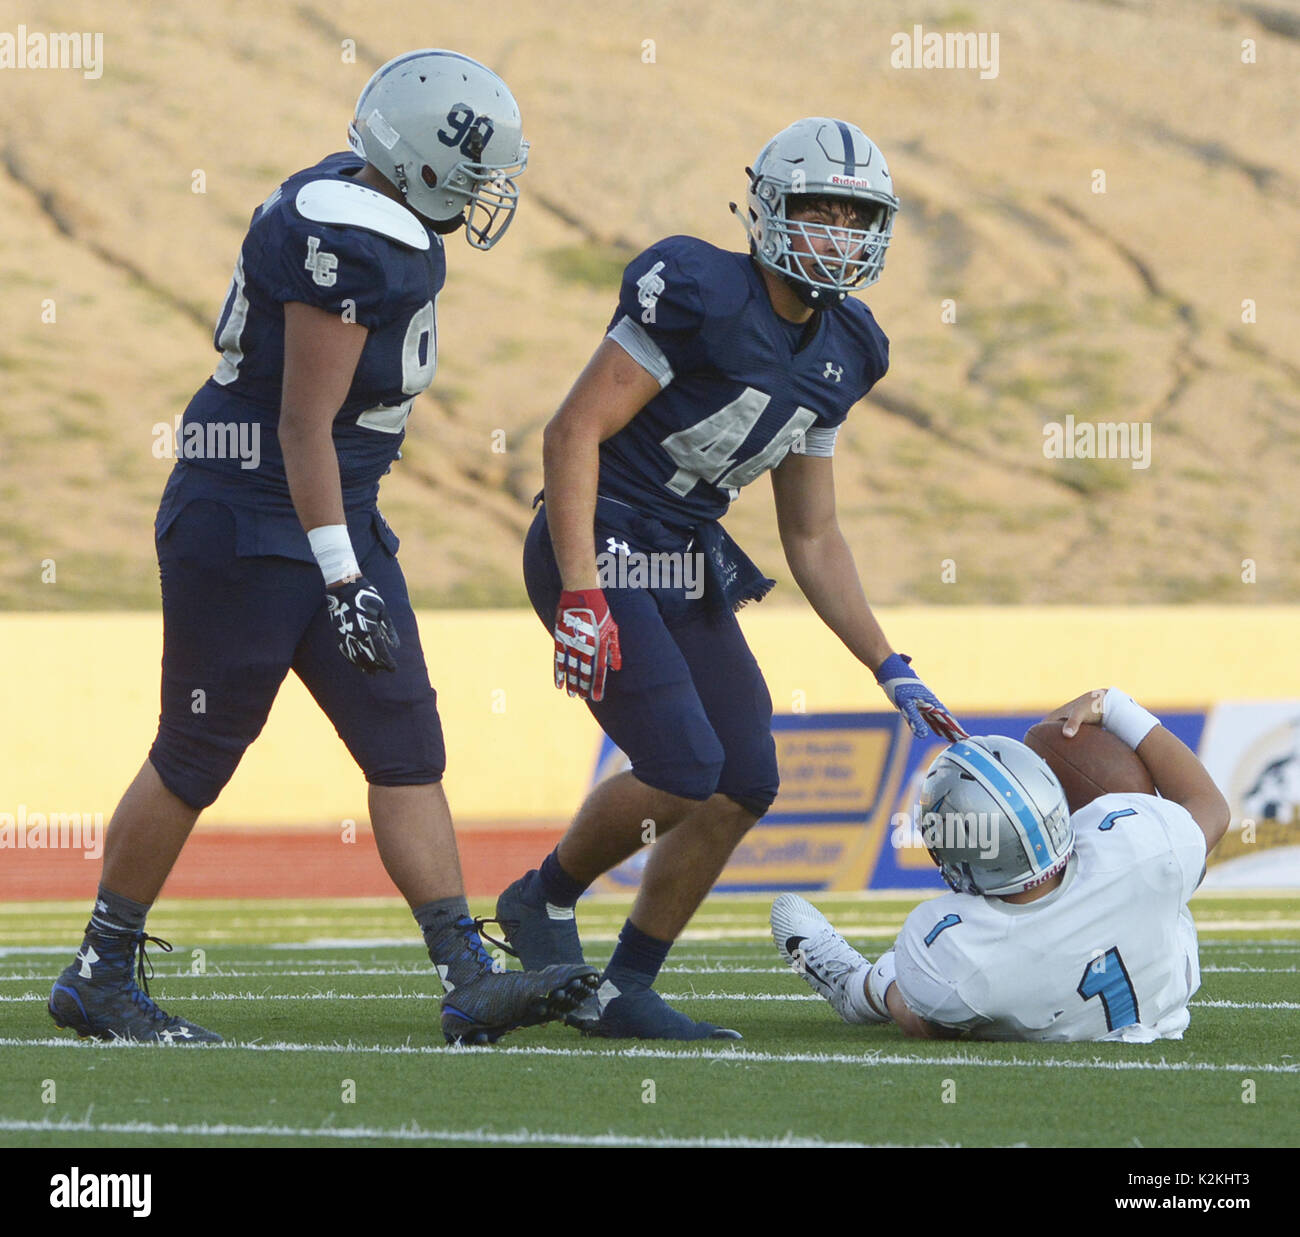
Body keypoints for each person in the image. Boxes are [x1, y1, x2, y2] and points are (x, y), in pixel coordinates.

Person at [47, 49, 597, 1047]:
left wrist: (347, 558)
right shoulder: (350, 236)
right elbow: (303, 425)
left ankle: (468, 978)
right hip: (251, 518)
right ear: (423, 161)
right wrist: (345, 577)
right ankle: (100, 972)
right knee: (197, 750)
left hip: (332, 511)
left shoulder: (357, 196)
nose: (486, 193)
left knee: (405, 744)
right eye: (474, 171)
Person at [489, 118, 963, 1041]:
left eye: (857, 217)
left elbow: (813, 533)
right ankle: (541, 897)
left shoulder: (850, 349)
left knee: (743, 776)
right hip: (599, 535)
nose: (840, 235)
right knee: (681, 766)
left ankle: (626, 986)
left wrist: (888, 663)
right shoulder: (701, 290)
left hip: (682, 552)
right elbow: (572, 431)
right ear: (771, 209)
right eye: (820, 211)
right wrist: (582, 589)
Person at [772, 687, 1231, 1041]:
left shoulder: (956, 942)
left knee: (927, 1011)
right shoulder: (1136, 843)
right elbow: (1210, 805)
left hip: (1024, 993)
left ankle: (858, 986)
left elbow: (929, 1022)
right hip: (1164, 1018)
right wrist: (1112, 705)